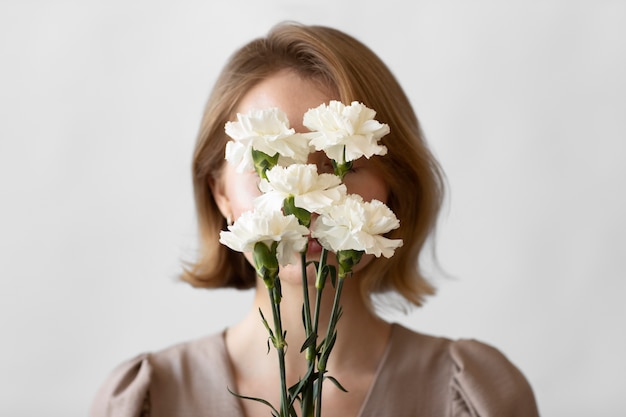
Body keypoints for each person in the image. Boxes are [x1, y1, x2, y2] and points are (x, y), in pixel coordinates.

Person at [90, 22, 539, 417]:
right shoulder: (146, 401)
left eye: (339, 166)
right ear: (220, 193)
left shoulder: (475, 399)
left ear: (394, 191)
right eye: (271, 166)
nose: (305, 202)